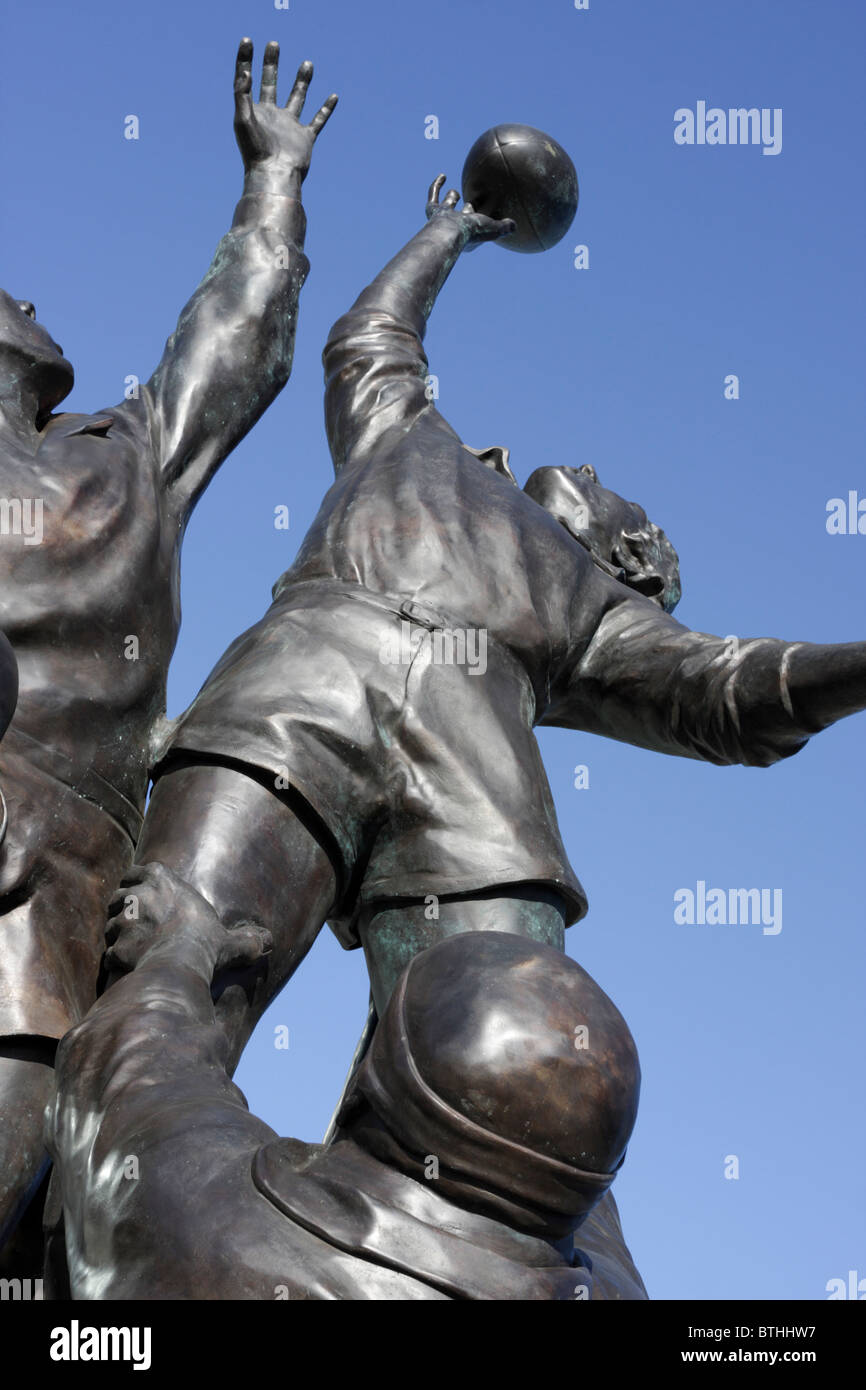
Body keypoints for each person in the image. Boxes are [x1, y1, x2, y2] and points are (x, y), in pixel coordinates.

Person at [131, 176, 866, 1074]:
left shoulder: (604, 615)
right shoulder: (414, 437)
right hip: (294, 695)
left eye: (617, 495)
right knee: (160, 968)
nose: (592, 463)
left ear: (629, 560)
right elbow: (371, 339)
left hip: (474, 793)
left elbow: (734, 688)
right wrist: (449, 234)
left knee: (510, 1079)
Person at [0, 38, 337, 1245]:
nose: (32, 301)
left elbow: (229, 347)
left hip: (42, 955)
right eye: (12, 293)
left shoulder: (118, 465)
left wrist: (272, 186)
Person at [47, 863, 644, 1301]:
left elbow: (123, 1061)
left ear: (362, 1089)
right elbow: (577, 1188)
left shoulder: (211, 1220)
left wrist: (180, 946)